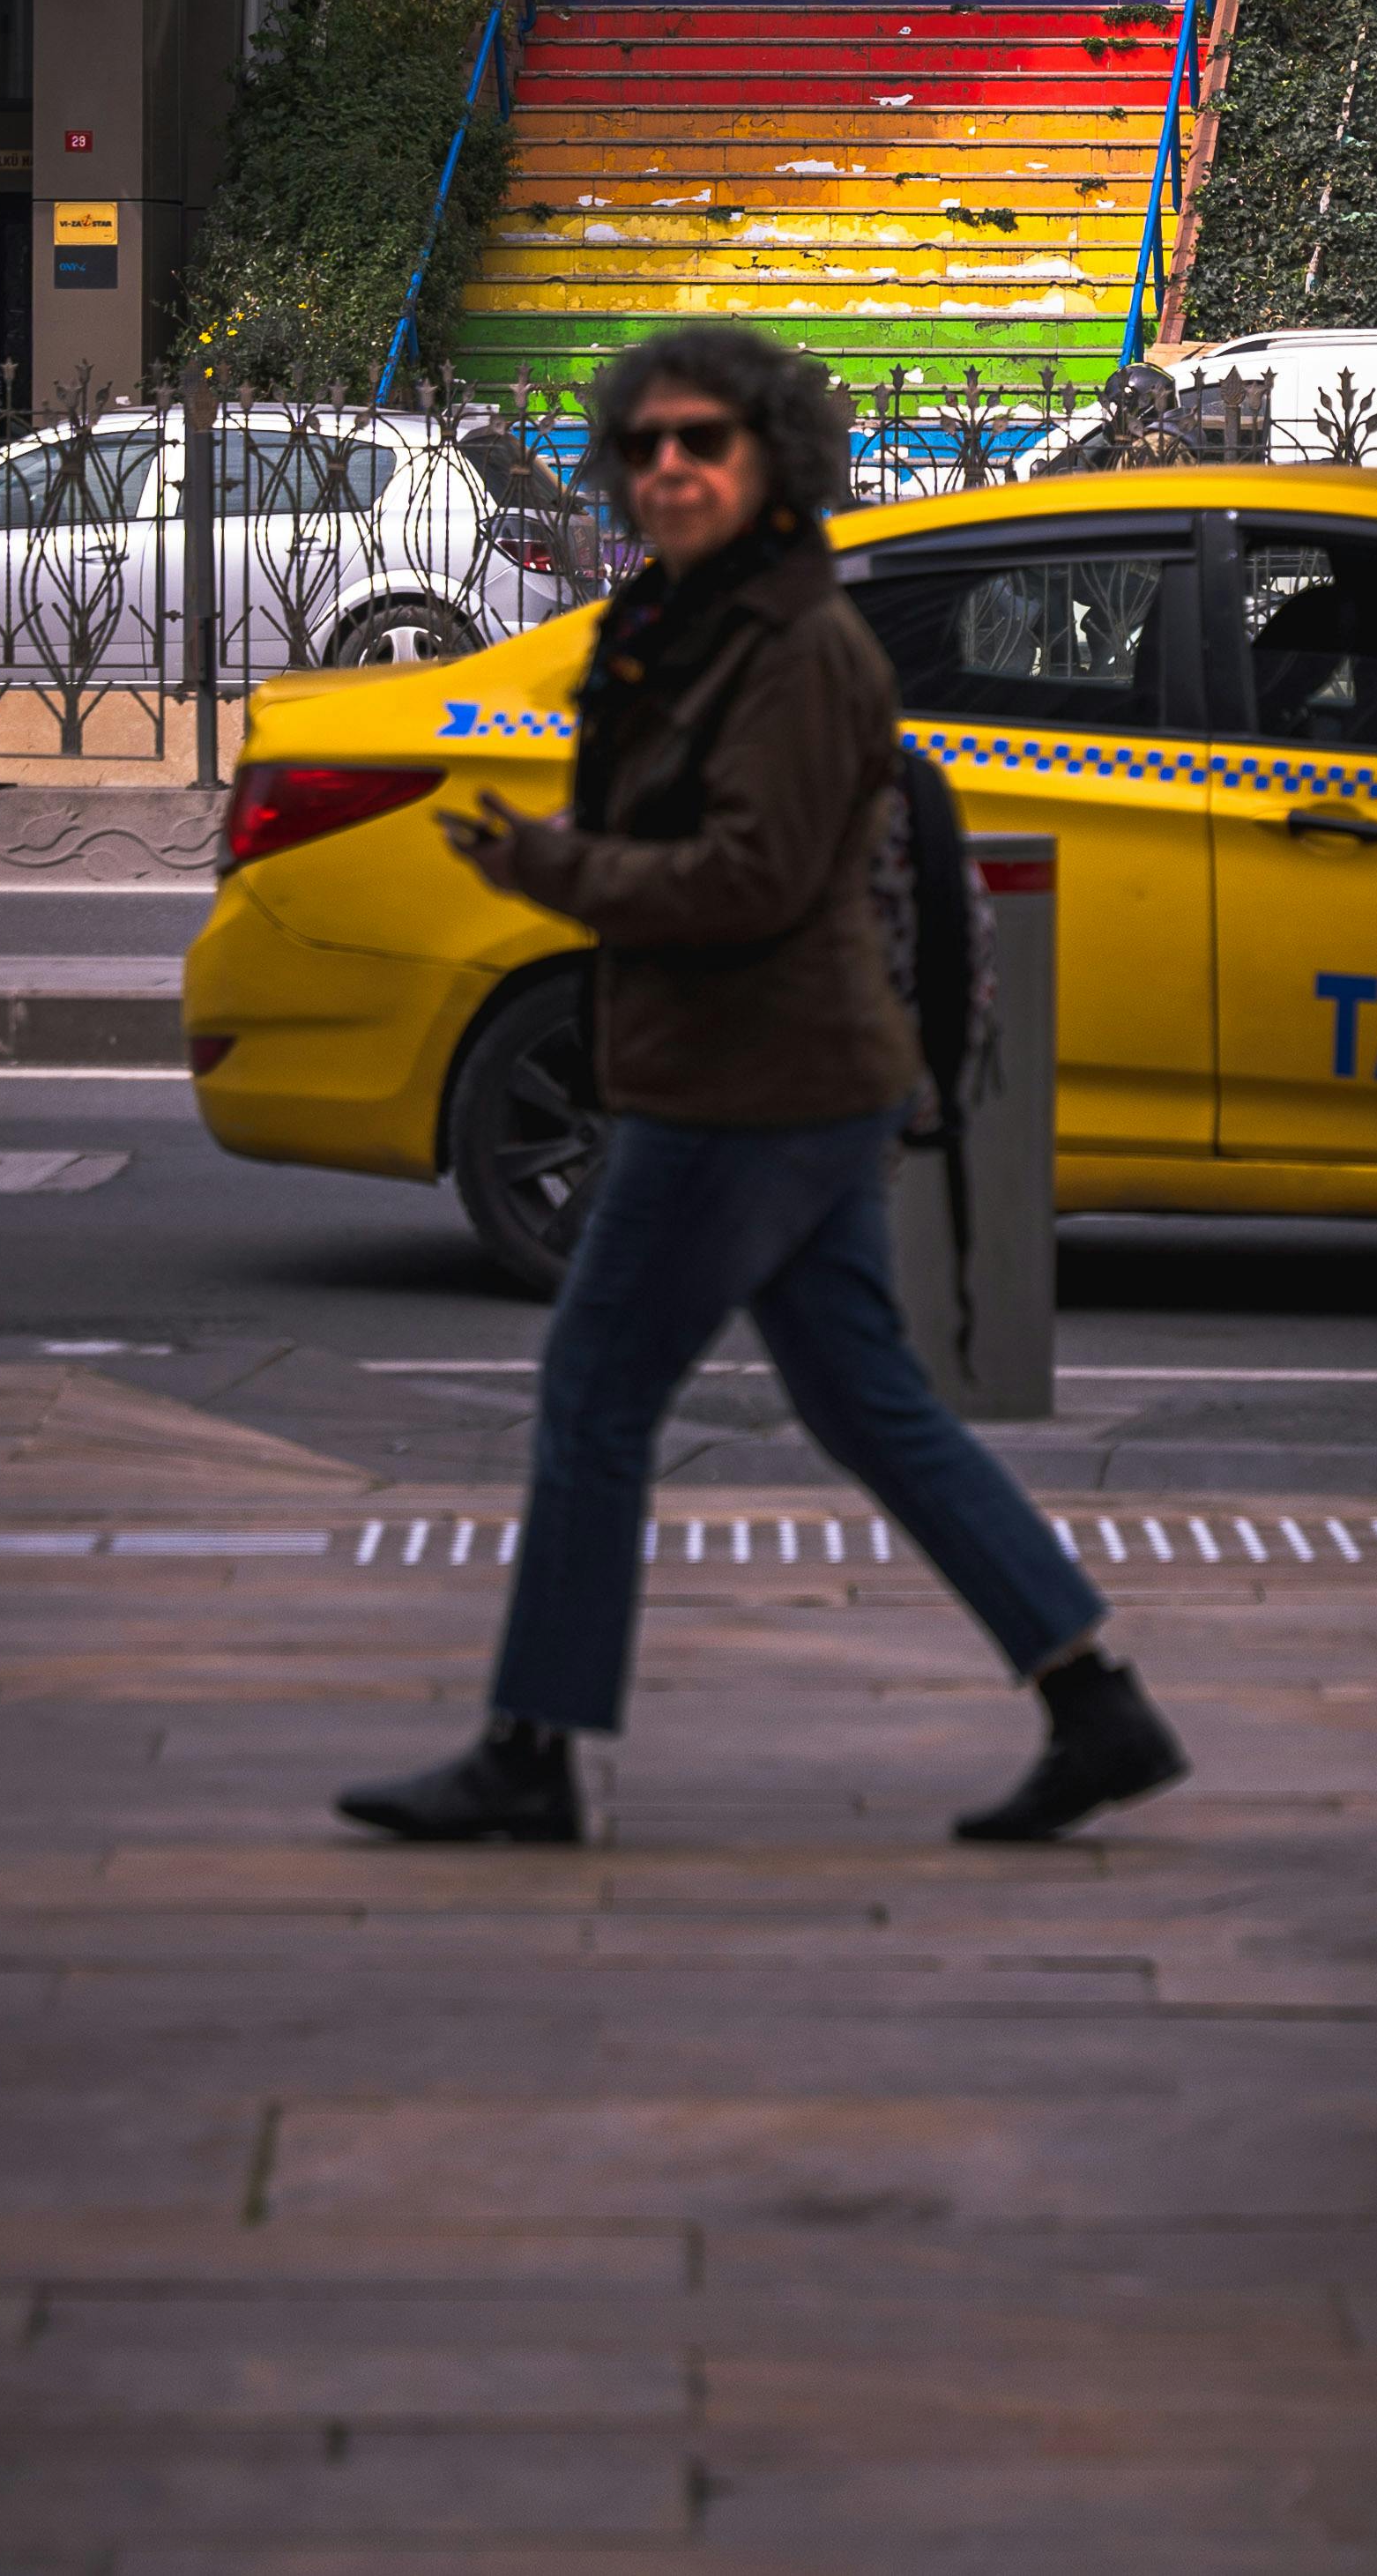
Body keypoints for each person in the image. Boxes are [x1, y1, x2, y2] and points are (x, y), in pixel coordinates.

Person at [335, 324, 1187, 1853]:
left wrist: (553, 868)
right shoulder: (690, 622)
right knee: (871, 1406)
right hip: (768, 1072)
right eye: (646, 443)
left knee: (595, 1390)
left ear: (773, 466)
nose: (667, 468)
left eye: (703, 445)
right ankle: (1094, 1696)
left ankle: (537, 1747)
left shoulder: (794, 649)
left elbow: (753, 878)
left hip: (753, 1084)